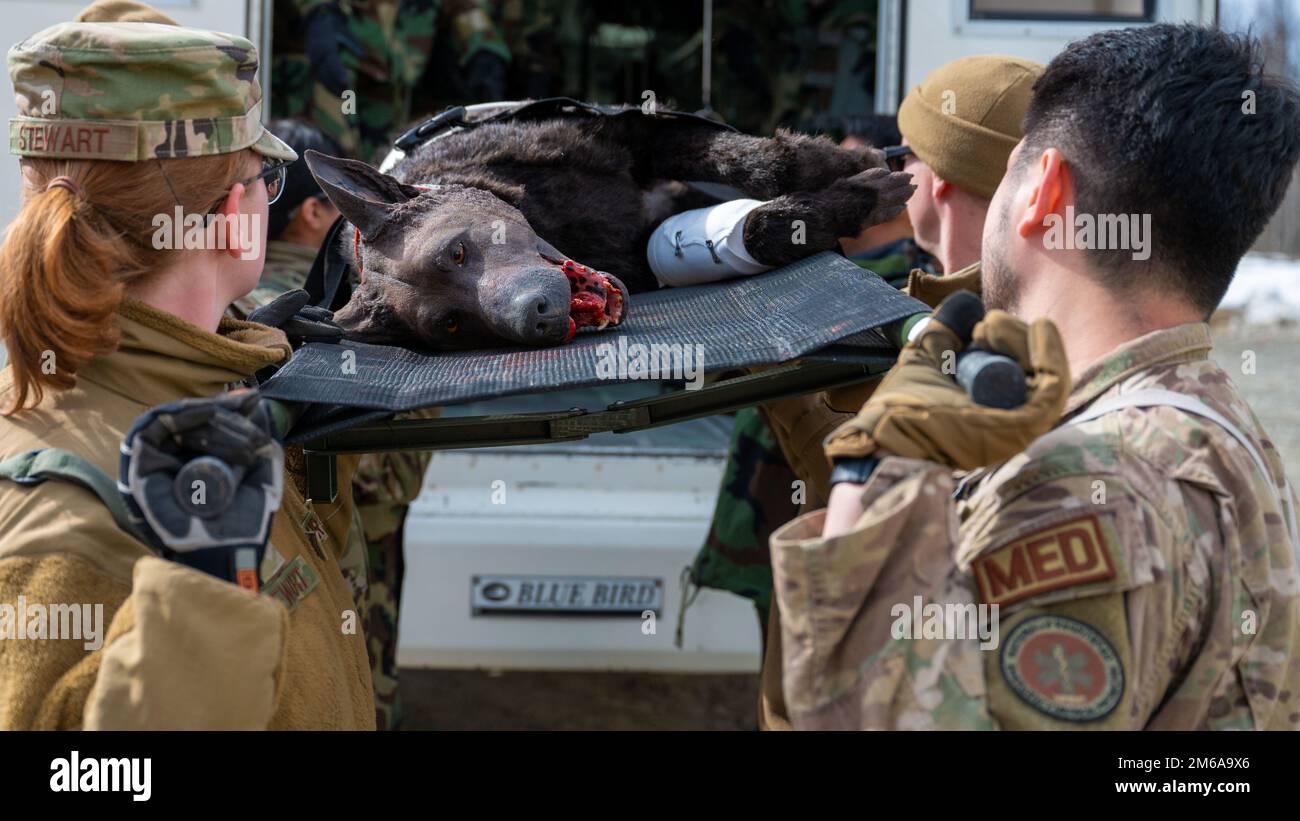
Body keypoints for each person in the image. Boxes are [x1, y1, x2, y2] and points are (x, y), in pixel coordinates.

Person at [772, 23, 1300, 729]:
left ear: (1043, 190)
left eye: (1010, 171)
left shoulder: (1089, 482)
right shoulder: (1211, 425)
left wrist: (872, 474)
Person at [0, 11, 374, 729]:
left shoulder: (209, 389)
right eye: (266, 176)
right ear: (234, 213)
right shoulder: (62, 513)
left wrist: (311, 426)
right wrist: (204, 594)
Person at [751, 54, 1043, 730]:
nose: (888, 171)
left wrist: (781, 376)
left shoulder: (990, 339)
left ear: (936, 181)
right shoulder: (948, 306)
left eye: (902, 155)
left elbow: (882, 497)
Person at [229, 117, 437, 731]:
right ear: (315, 214)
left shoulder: (227, 306)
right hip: (341, 563)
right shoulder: (340, 310)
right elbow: (395, 473)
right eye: (343, 199)